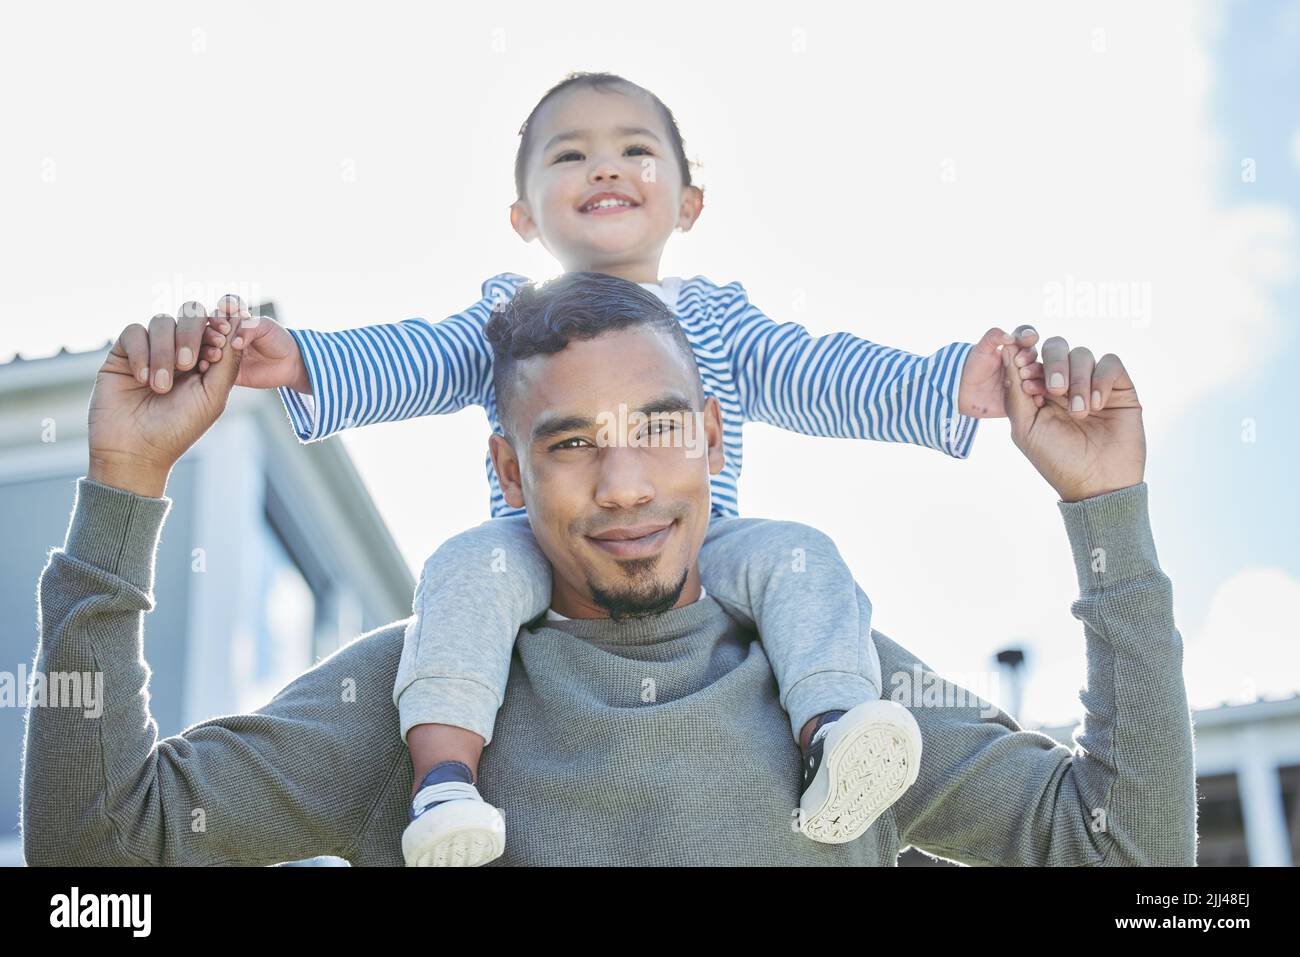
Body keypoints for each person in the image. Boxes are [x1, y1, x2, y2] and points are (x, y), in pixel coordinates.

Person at [173, 71, 1049, 864]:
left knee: (803, 555)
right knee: (461, 575)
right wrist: (302, 362)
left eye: (636, 149)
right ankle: (444, 785)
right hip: (543, 550)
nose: (605, 167)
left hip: (707, 545)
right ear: (523, 216)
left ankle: (832, 732)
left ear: (689, 202)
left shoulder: (716, 320)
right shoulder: (509, 320)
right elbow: (411, 358)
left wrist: (946, 385)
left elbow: (823, 373)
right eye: (571, 155)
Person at [20, 279, 1196, 867]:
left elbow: (1128, 860)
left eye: (660, 429)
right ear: (507, 470)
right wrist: (125, 483)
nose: (624, 484)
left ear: (716, 442)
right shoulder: (415, 697)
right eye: (572, 441)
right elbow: (96, 862)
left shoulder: (835, 692)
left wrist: (1107, 515)